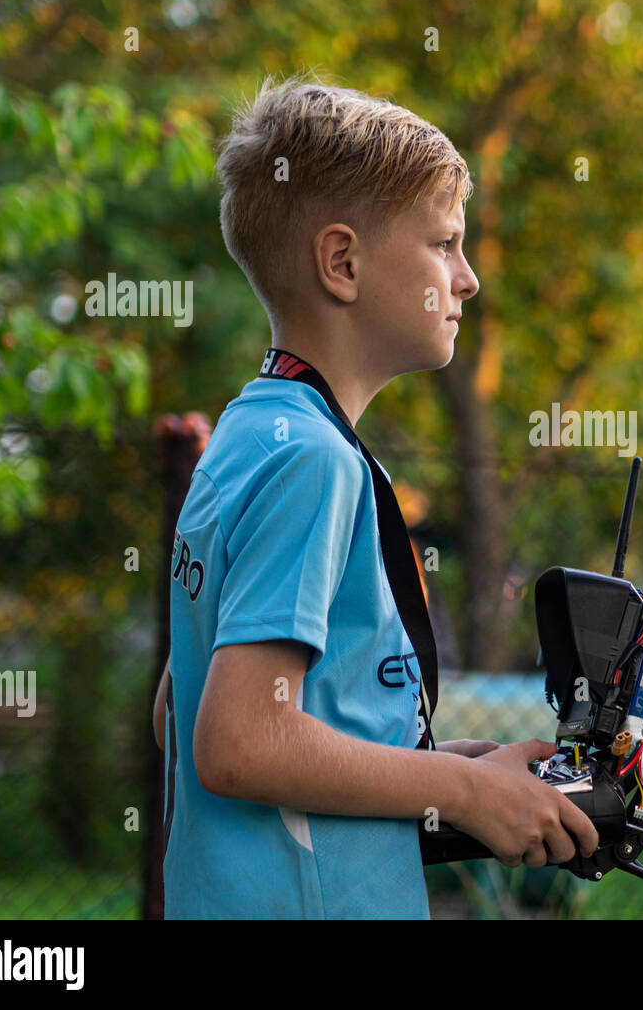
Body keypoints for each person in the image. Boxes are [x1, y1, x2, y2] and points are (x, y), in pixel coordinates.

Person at [151, 76, 598, 919]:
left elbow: (179, 711)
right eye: (444, 244)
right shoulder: (312, 463)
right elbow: (239, 743)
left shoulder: (247, 441)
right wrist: (458, 790)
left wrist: (463, 771)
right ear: (343, 263)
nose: (466, 280)